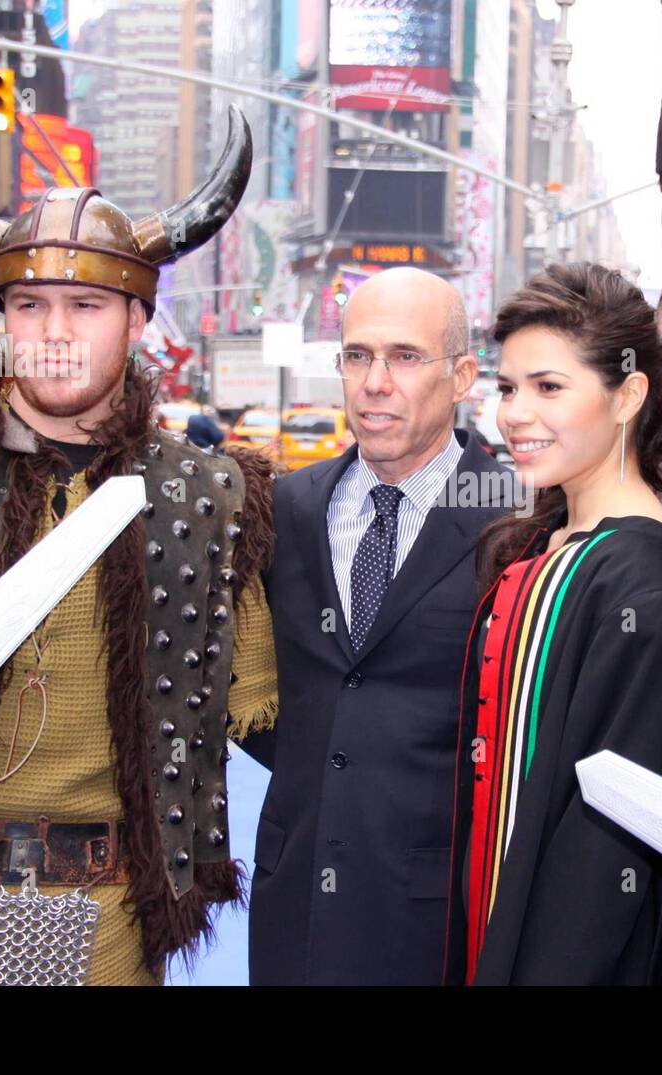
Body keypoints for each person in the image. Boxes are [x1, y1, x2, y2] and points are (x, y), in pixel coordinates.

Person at [0, 99, 278, 986]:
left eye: (86, 304)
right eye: (29, 304)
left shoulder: (211, 497)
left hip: (104, 933)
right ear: (1, 317)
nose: (56, 333)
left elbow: (273, 719)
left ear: (139, 319)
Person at [241, 266, 513, 985]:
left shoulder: (517, 524)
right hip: (292, 907)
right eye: (357, 356)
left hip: (435, 920)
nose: (374, 380)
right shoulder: (288, 509)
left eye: (404, 356)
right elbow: (264, 693)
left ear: (461, 376)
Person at [448, 263, 662, 985]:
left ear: (628, 395)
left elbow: (605, 848)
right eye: (508, 388)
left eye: (549, 387)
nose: (515, 414)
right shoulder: (544, 539)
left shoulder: (645, 580)